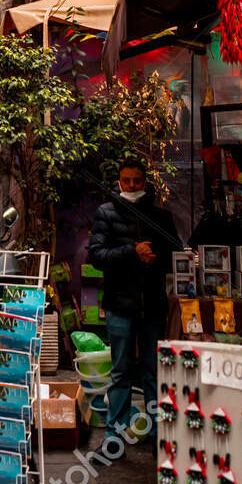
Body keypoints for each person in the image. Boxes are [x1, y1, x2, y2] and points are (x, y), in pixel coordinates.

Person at [87, 158, 179, 452]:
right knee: (120, 372)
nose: (131, 185)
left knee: (153, 371)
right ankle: (114, 436)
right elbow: (96, 256)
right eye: (126, 181)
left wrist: (156, 259)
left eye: (136, 180)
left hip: (152, 305)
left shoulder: (161, 216)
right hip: (119, 304)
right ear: (119, 183)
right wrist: (132, 251)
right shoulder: (106, 213)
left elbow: (176, 255)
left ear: (144, 182)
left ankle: (157, 436)